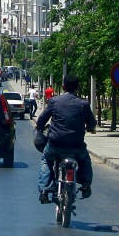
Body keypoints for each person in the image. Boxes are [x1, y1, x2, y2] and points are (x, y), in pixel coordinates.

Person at [36, 74, 97, 203]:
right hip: (76, 146)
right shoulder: (83, 104)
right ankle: (85, 184)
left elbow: (42, 119)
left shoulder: (54, 101)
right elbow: (92, 122)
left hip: (55, 145)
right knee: (85, 160)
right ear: (78, 87)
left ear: (63, 86)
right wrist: (91, 128)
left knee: (46, 160)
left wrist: (39, 127)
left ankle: (44, 190)